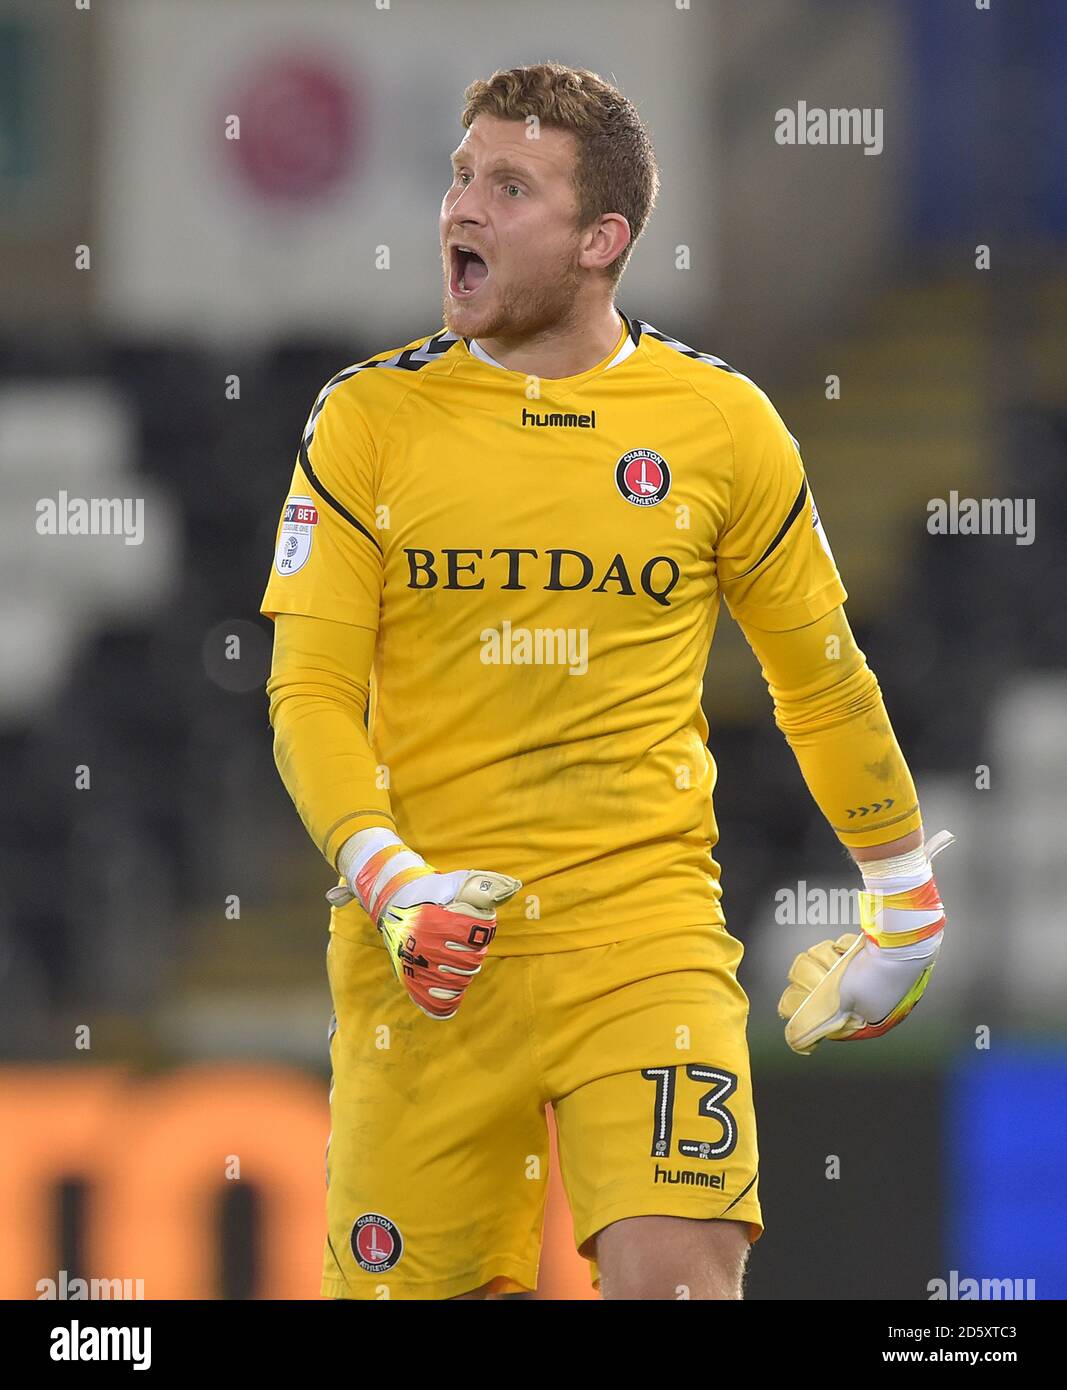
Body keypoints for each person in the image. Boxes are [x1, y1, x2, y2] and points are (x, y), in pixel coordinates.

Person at [259, 61, 952, 1301]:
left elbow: (819, 681)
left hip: (642, 941)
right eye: (459, 176)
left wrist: (904, 908)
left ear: (600, 240)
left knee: (676, 1280)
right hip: (423, 954)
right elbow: (306, 694)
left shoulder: (720, 424)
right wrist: (391, 878)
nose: (460, 206)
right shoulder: (364, 421)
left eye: (507, 186)